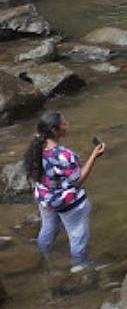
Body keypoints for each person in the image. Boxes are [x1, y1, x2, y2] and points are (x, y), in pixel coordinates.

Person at [24, 111, 105, 271]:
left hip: (45, 198)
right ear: (55, 130)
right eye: (64, 123)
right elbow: (78, 180)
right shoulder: (64, 155)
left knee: (48, 229)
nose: (67, 125)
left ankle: (42, 258)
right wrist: (93, 156)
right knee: (77, 238)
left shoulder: (36, 144)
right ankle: (81, 269)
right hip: (67, 204)